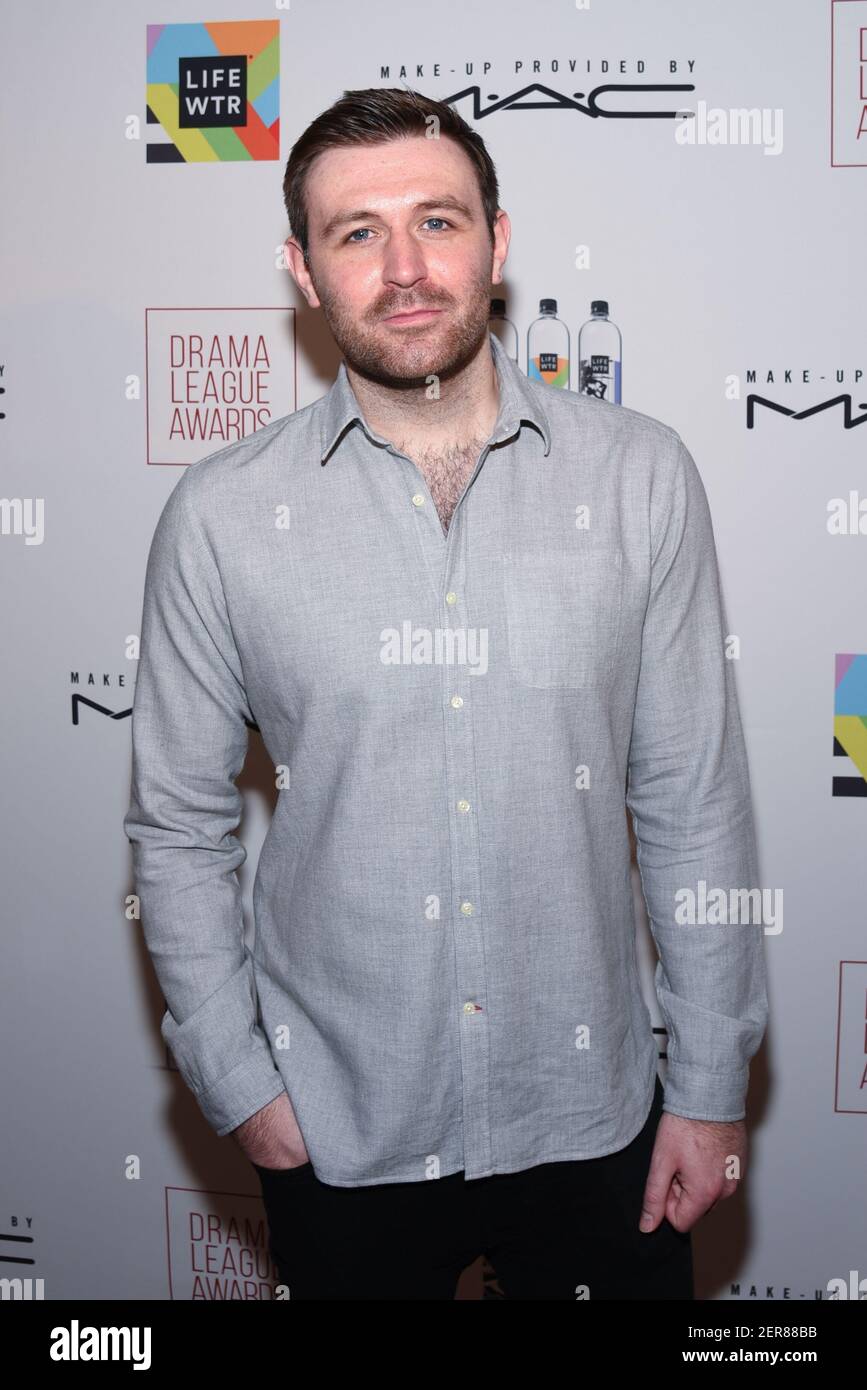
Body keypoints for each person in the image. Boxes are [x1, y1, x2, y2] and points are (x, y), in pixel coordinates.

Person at [123, 87, 768, 1300]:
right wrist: (240, 1082)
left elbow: (694, 802)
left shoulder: (641, 482)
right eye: (356, 232)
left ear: (499, 243)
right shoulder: (220, 519)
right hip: (341, 1120)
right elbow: (177, 825)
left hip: (595, 1119)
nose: (405, 267)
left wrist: (712, 1086)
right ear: (302, 271)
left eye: (438, 220)